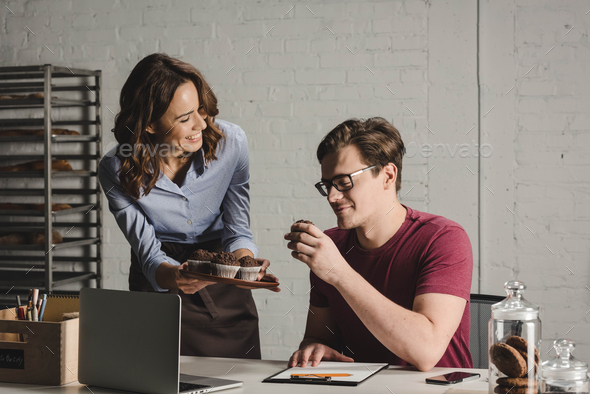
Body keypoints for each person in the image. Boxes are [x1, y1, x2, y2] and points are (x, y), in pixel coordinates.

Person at [97, 53, 279, 359]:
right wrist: (176, 277)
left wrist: (246, 268)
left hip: (222, 271)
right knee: (158, 378)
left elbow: (237, 230)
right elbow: (149, 254)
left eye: (200, 110)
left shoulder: (231, 143)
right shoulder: (116, 169)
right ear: (150, 125)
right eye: (184, 118)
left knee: (240, 379)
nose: (201, 124)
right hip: (160, 280)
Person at [284, 117, 473, 371]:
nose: (332, 196)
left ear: (387, 176)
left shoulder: (443, 239)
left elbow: (426, 351)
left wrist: (338, 272)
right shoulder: (332, 247)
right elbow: (319, 337)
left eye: (344, 182)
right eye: (327, 185)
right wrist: (315, 347)